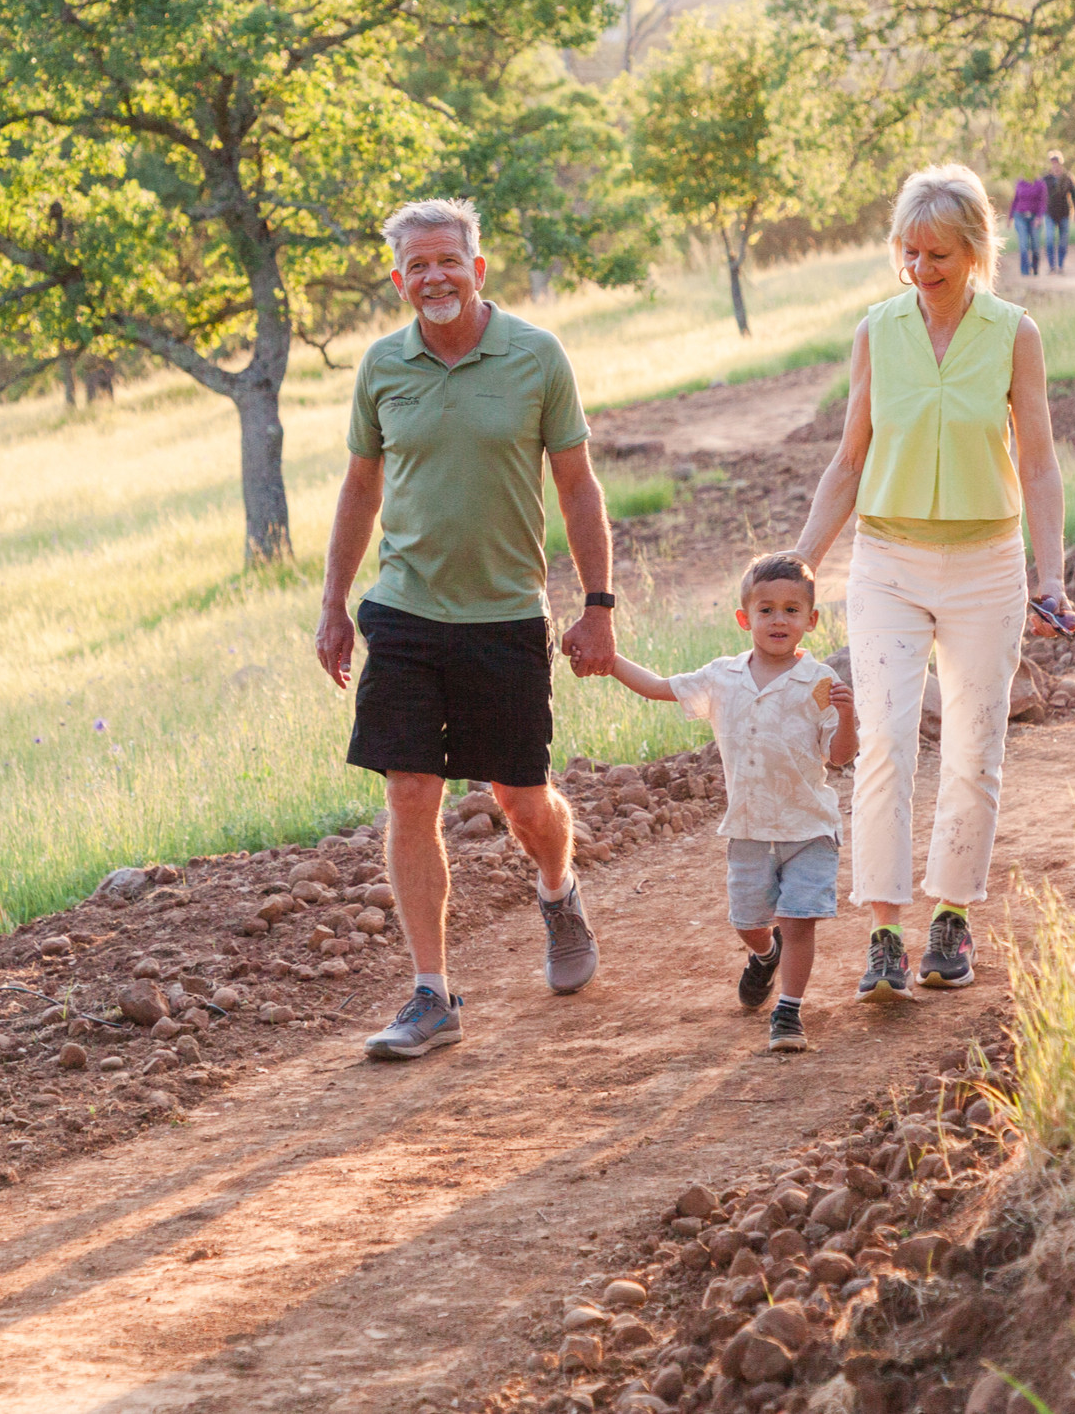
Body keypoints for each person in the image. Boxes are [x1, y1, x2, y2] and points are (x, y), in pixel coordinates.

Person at [315, 198, 618, 1061]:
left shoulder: (535, 356)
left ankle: (558, 889)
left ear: (477, 269)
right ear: (401, 278)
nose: (434, 277)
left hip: (506, 617)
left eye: (448, 260)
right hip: (404, 613)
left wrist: (598, 605)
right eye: (417, 265)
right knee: (410, 792)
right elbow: (360, 491)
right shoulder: (382, 367)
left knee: (520, 800)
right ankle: (431, 992)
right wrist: (335, 604)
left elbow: (578, 488)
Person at [791, 164, 1075, 998]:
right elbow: (848, 461)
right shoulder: (877, 331)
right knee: (881, 737)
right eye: (909, 252)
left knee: (973, 741)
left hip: (987, 562)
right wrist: (804, 566)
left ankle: (951, 915)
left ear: (975, 250)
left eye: (939, 255)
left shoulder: (1014, 332)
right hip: (886, 560)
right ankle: (884, 930)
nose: (921, 270)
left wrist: (1050, 574)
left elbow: (1037, 461)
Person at [603, 553, 859, 1053]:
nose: (778, 620)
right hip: (748, 826)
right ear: (745, 619)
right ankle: (765, 957)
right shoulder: (723, 677)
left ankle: (789, 1011)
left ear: (812, 619)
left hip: (808, 827)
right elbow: (660, 688)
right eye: (766, 610)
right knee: (748, 922)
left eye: (791, 610)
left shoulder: (821, 682)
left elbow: (838, 757)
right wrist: (609, 660)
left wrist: (847, 717)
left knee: (798, 918)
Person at [1041, 152, 1075, 275]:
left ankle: (1061, 265)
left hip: (1064, 213)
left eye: (1057, 164)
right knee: (1050, 239)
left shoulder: (1068, 178)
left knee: (1063, 241)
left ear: (1061, 164)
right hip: (1050, 213)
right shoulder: (1046, 179)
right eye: (1053, 164)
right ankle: (1052, 266)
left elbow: (1074, 196)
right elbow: (1040, 197)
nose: (1055, 166)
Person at [1008, 169, 1047, 277]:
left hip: (1034, 217)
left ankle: (1035, 268)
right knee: (1023, 244)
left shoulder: (1040, 184)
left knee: (1035, 244)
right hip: (1020, 216)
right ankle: (1025, 271)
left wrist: (1039, 218)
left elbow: (1042, 202)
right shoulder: (1020, 183)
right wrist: (1010, 218)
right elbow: (1015, 200)